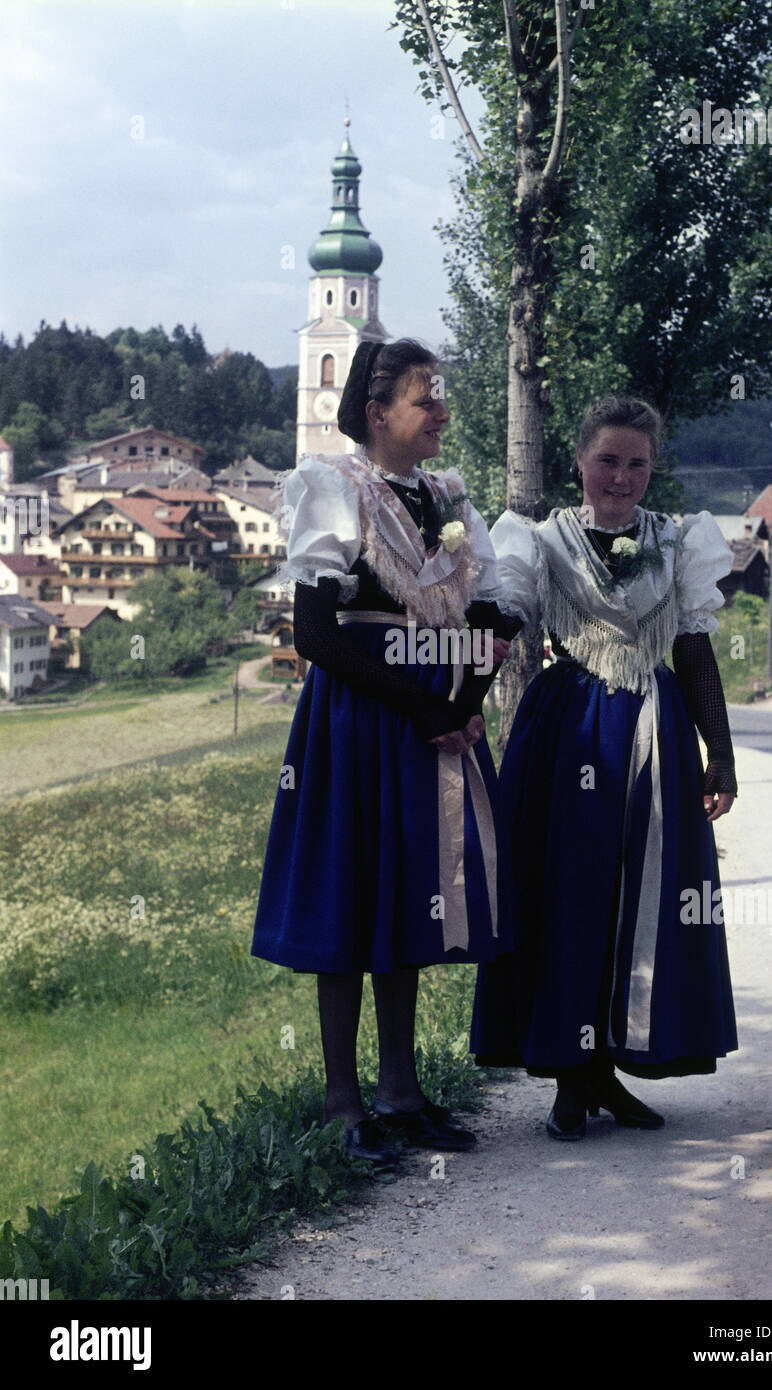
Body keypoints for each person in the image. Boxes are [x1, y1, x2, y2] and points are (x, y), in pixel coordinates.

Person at [251, 338, 520, 1165]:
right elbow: (315, 635)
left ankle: (401, 1090)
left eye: (440, 395)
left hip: (432, 722)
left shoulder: (447, 496)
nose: (441, 411)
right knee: (350, 896)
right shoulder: (335, 488)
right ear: (377, 415)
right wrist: (424, 707)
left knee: (409, 898)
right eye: (424, 398)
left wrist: (463, 705)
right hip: (360, 720)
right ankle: (342, 1100)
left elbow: (498, 604)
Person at [470, 395, 739, 1138]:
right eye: (608, 460)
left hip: (656, 731)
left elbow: (693, 649)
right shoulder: (539, 539)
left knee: (639, 899)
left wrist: (720, 753)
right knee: (568, 895)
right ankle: (569, 1072)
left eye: (637, 463)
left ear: (653, 469)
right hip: (570, 732)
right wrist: (458, 704)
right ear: (580, 462)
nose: (621, 477)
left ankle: (609, 1067)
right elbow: (504, 624)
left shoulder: (679, 540)